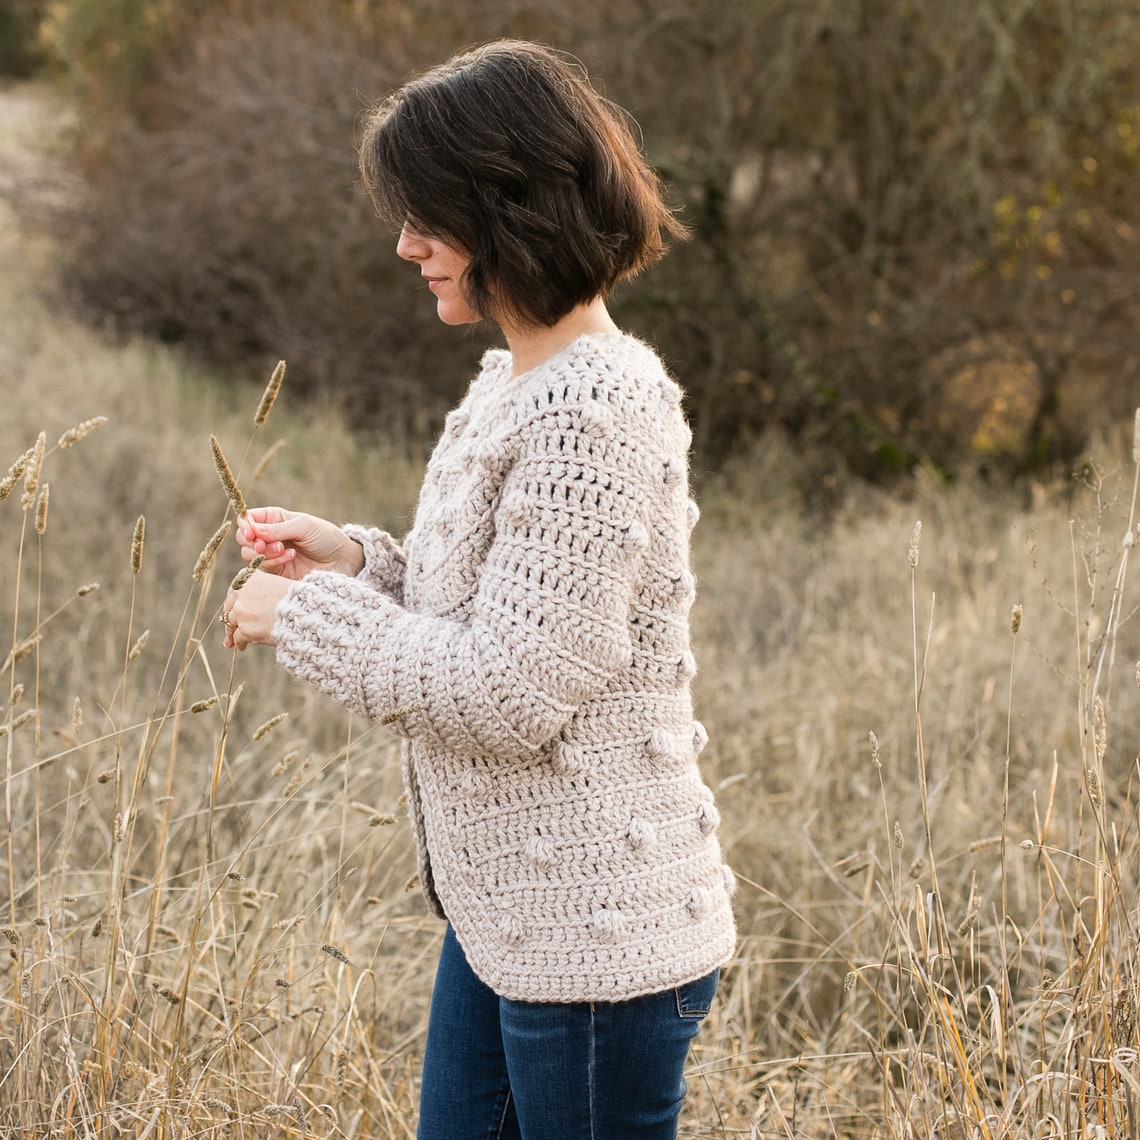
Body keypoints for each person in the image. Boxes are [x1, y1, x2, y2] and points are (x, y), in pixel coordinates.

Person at [221, 40, 736, 1140]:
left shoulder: (590, 411)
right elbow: (490, 610)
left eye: (429, 219)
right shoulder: (512, 380)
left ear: (513, 213)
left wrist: (303, 618)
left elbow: (512, 691)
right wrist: (355, 562)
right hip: (506, 916)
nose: (406, 246)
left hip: (597, 947)